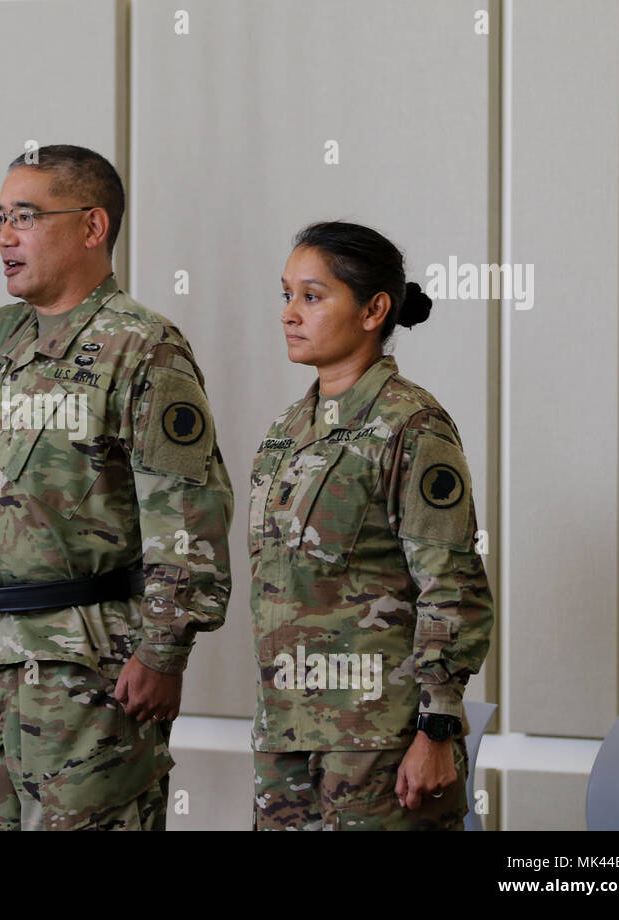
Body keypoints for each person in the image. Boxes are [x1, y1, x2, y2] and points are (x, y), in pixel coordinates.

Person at [0, 145, 233, 831]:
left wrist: (164, 650)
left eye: (26, 216)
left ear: (92, 226)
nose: (5, 236)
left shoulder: (143, 347)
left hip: (90, 661)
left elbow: (187, 511)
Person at [249, 221, 494, 830]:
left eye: (312, 296)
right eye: (286, 294)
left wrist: (437, 728)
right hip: (286, 733)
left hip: (379, 743)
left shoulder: (412, 424)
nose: (289, 313)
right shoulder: (287, 429)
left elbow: (451, 585)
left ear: (373, 310)